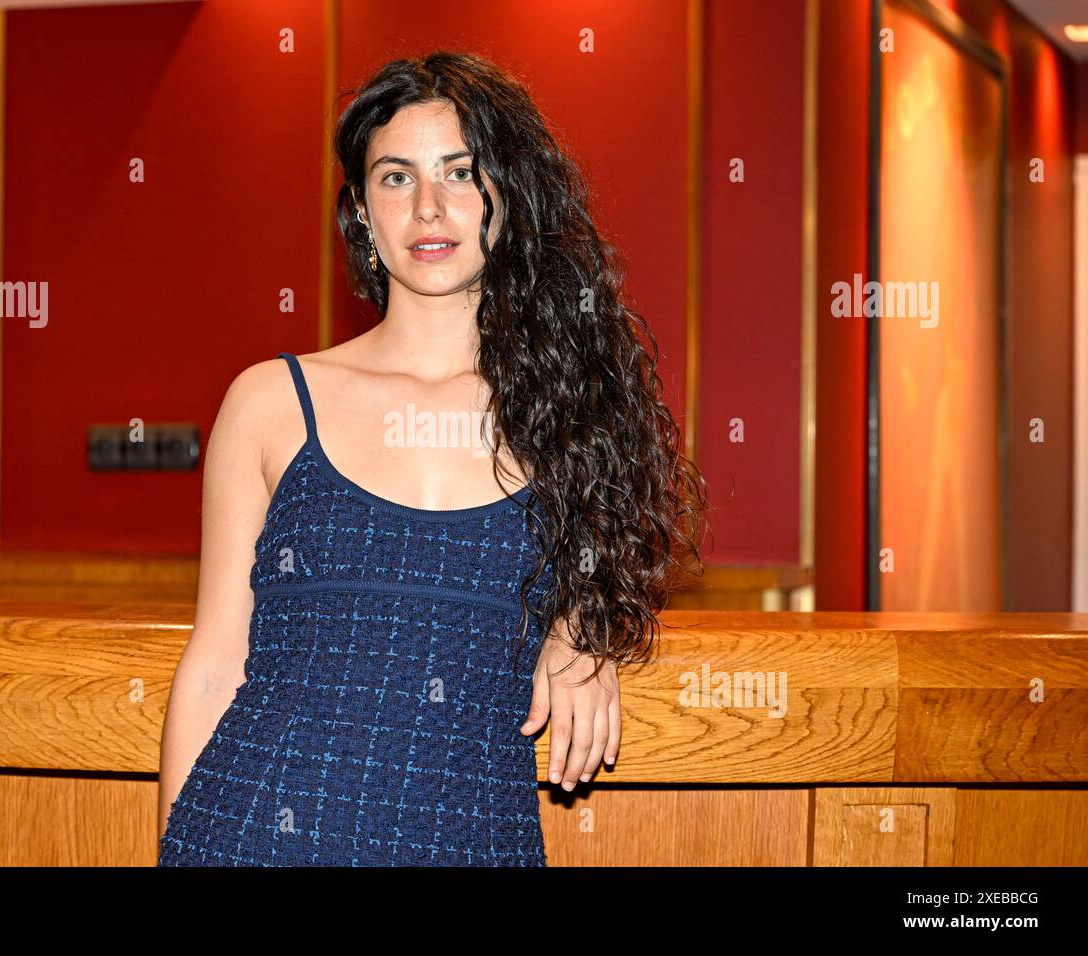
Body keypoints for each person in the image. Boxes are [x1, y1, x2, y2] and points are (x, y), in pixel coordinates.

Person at [156, 51, 708, 866]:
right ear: (362, 217)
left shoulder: (572, 416)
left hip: (469, 840)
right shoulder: (270, 403)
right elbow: (212, 668)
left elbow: (610, 569)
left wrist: (584, 627)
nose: (428, 206)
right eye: (395, 177)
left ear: (507, 197)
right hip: (248, 835)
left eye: (459, 171)